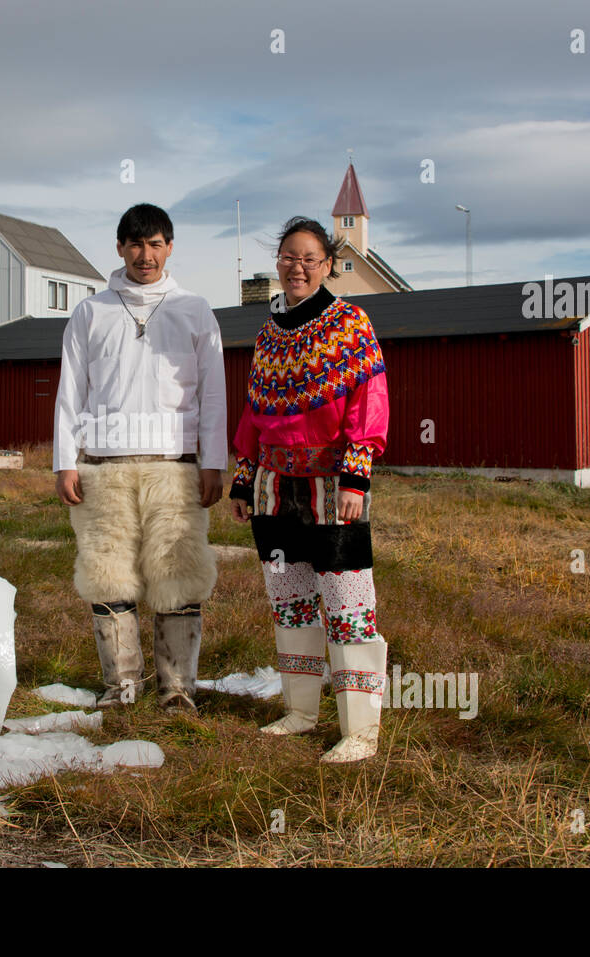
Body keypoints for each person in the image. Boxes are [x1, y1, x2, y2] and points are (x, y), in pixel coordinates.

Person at [54, 203, 227, 713]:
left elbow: (212, 395)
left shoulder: (195, 309)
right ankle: (121, 688)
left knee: (178, 573)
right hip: (104, 465)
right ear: (119, 248)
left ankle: (177, 689)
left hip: (173, 465)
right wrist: (66, 460)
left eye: (155, 244)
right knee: (109, 574)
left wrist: (212, 460)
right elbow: (70, 391)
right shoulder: (91, 311)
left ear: (170, 247)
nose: (144, 255)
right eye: (135, 244)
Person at [229, 216, 389, 762]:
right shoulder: (268, 333)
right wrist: (244, 478)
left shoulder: (351, 323)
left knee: (347, 604)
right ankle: (300, 710)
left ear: (326, 266)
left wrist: (355, 475)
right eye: (288, 257)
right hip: (275, 488)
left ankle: (360, 730)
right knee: (290, 601)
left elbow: (369, 402)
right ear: (277, 263)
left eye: (309, 259)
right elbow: (255, 411)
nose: (297, 267)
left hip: (331, 485)